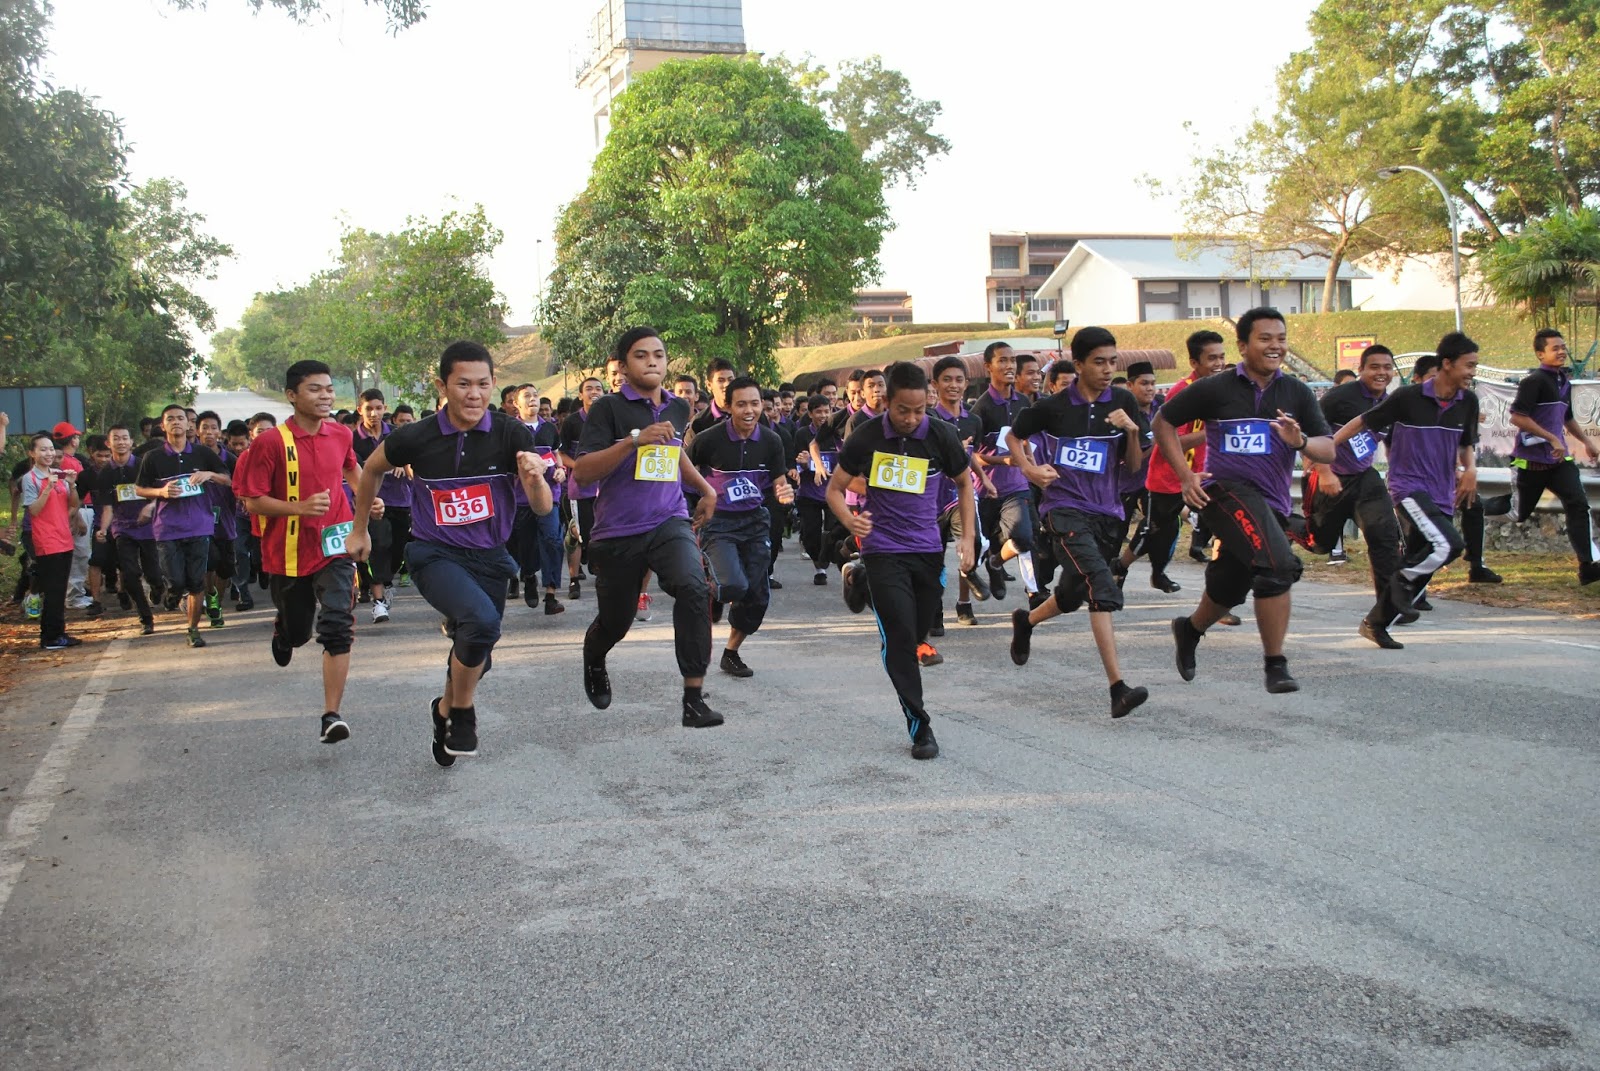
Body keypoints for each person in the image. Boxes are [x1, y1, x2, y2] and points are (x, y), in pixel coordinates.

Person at [348, 342, 552, 763]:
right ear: (443, 386)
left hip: (490, 556)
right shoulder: (415, 437)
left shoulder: (509, 433)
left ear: (496, 386)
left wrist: (534, 479)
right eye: (463, 384)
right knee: (480, 623)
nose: (474, 394)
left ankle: (442, 709)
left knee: (477, 647)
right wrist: (360, 528)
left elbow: (543, 506)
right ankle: (461, 712)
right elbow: (370, 470)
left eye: (483, 384)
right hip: (433, 553)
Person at [1153, 308, 1334, 694]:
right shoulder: (1216, 388)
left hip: (1271, 504)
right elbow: (1162, 422)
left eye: (1281, 338)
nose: (1275, 346)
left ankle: (1190, 629)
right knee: (1278, 565)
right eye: (1265, 338)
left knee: (1232, 585)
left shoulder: (1296, 392)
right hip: (1223, 492)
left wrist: (1299, 442)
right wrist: (1185, 476)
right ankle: (1276, 664)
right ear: (1243, 345)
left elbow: (1328, 449)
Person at [574, 327, 722, 728]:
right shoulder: (606, 410)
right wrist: (634, 441)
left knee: (694, 587)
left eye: (659, 354)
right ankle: (595, 656)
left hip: (667, 519)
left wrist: (706, 488)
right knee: (616, 622)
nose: (652, 361)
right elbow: (584, 472)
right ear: (622, 367)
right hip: (618, 530)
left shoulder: (678, 408)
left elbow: (674, 456)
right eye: (641, 355)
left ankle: (694, 697)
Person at [828, 362, 977, 760]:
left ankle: (859, 582)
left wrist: (969, 539)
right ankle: (920, 725)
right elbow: (835, 489)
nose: (911, 419)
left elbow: (965, 483)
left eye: (918, 410)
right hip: (882, 548)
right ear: (886, 403)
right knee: (898, 637)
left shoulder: (941, 435)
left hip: (927, 548)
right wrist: (849, 519)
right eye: (902, 411)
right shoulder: (867, 436)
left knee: (918, 632)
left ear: (927, 400)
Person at [1007, 328, 1151, 718]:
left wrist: (1132, 432)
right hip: (1064, 508)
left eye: (1112, 362)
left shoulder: (1122, 402)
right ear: (1080, 362)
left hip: (1108, 512)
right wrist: (1031, 471)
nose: (1107, 370)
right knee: (1100, 586)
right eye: (1099, 362)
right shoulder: (1054, 407)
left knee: (1071, 595)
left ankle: (1027, 620)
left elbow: (1134, 466)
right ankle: (1117, 687)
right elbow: (1014, 438)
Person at [235, 360, 377, 744]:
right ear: (292, 396)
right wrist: (298, 507)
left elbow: (353, 471)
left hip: (336, 544)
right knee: (299, 631)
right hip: (289, 551)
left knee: (337, 626)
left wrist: (367, 503)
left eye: (329, 388)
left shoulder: (340, 434)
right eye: (315, 389)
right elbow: (252, 501)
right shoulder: (269, 443)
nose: (325, 395)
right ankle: (284, 631)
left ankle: (331, 715)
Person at [1332, 333, 1482, 620]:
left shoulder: (1468, 402)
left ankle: (1378, 622)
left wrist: (1470, 468)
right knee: (1449, 545)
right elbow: (1362, 422)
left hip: (1442, 492)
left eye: (1475, 366)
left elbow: (1466, 442)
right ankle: (1398, 582)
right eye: (1469, 365)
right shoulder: (1407, 397)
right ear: (1447, 364)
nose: (1472, 373)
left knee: (1424, 555)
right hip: (1408, 487)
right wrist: (1327, 448)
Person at [1304, 344, 1412, 648]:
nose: (1381, 373)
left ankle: (1382, 616)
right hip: (1330, 478)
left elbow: (1392, 442)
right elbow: (1311, 430)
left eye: (1387, 368)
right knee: (1319, 543)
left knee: (1385, 539)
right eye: (1374, 367)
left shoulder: (1390, 403)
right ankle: (1283, 522)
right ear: (1362, 369)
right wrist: (1324, 472)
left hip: (1365, 478)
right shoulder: (1341, 397)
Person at [687, 377, 794, 678]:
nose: (749, 410)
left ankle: (731, 653)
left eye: (755, 403)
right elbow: (686, 474)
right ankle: (713, 586)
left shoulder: (772, 441)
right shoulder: (708, 439)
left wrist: (784, 491)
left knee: (757, 596)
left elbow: (778, 480)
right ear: (729, 406)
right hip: (718, 522)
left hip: (754, 522)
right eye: (742, 404)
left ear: (763, 405)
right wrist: (695, 505)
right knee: (734, 585)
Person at [1506, 328, 1600, 585]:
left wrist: (1587, 442)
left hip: (1559, 460)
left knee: (1578, 504)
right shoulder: (1533, 381)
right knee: (1519, 514)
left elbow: (1567, 417)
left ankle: (1587, 566)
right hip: (1531, 462)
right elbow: (1517, 416)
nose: (1561, 351)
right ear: (1540, 353)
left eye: (1563, 347)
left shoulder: (1563, 381)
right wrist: (1551, 437)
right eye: (1555, 348)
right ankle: (1479, 508)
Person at [135, 404, 231, 649]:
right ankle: (173, 592)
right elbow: (139, 489)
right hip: (167, 528)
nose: (176, 422)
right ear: (163, 425)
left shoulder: (201, 454)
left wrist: (209, 475)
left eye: (181, 418)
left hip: (200, 526)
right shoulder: (153, 457)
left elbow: (229, 480)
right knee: (177, 580)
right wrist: (161, 491)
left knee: (196, 581)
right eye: (171, 419)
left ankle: (193, 630)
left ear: (189, 425)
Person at [972, 343, 1039, 604]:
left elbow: (1025, 442)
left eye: (1012, 361)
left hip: (1017, 487)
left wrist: (1031, 468)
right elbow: (973, 456)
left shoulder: (1023, 402)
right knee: (984, 542)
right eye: (1002, 361)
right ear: (988, 366)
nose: (1009, 366)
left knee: (1023, 537)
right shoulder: (982, 408)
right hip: (986, 488)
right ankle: (990, 566)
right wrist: (1003, 460)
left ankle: (997, 562)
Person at [930, 355, 992, 628]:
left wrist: (983, 478)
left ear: (966, 384)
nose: (953, 385)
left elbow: (970, 455)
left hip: (959, 495)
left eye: (958, 380)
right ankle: (934, 611)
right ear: (935, 384)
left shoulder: (974, 421)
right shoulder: (928, 418)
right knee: (933, 556)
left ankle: (964, 601)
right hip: (931, 497)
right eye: (947, 380)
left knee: (972, 542)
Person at [508, 382, 568, 614]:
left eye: (535, 395)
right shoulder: (511, 430)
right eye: (527, 396)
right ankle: (529, 575)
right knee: (525, 543)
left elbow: (556, 453)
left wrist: (561, 469)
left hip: (549, 493)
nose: (533, 399)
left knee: (553, 539)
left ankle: (551, 595)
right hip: (520, 497)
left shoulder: (549, 428)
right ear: (516, 403)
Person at [94, 424, 159, 634]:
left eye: (125, 438)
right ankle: (145, 617)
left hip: (148, 527)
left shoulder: (143, 465)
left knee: (155, 575)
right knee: (130, 575)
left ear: (132, 442)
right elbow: (107, 507)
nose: (121, 442)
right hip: (123, 529)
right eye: (116, 438)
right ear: (108, 443)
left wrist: (149, 507)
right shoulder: (105, 473)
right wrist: (103, 529)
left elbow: (159, 495)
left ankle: (159, 588)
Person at [21, 431, 83, 649]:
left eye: (50, 449)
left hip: (64, 537)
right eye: (42, 449)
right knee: (54, 591)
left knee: (60, 590)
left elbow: (72, 505)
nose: (48, 454)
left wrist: (72, 484)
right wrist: (47, 486)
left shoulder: (58, 474)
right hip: (47, 541)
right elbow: (34, 510)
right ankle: (49, 637)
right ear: (32, 453)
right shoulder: (30, 479)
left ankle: (58, 633)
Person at [350, 389, 402, 621]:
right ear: (360, 410)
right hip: (369, 504)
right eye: (369, 408)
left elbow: (412, 460)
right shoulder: (352, 440)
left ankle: (387, 581)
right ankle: (378, 600)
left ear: (385, 408)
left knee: (398, 550)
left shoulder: (398, 436)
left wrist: (404, 463)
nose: (374, 413)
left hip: (400, 500)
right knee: (376, 547)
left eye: (378, 408)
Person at [560, 376, 605, 600]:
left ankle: (604, 576)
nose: (594, 392)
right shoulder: (572, 422)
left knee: (605, 534)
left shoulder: (609, 419)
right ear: (581, 395)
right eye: (589, 389)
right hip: (579, 489)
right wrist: (578, 466)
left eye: (598, 388)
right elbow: (561, 453)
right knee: (577, 534)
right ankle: (573, 580)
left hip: (606, 488)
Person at [795, 394, 841, 585]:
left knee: (832, 532)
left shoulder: (837, 432)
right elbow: (796, 463)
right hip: (809, 493)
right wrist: (805, 465)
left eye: (826, 411)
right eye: (818, 412)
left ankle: (827, 558)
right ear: (810, 413)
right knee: (810, 535)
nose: (823, 415)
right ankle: (819, 568)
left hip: (833, 493)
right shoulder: (802, 434)